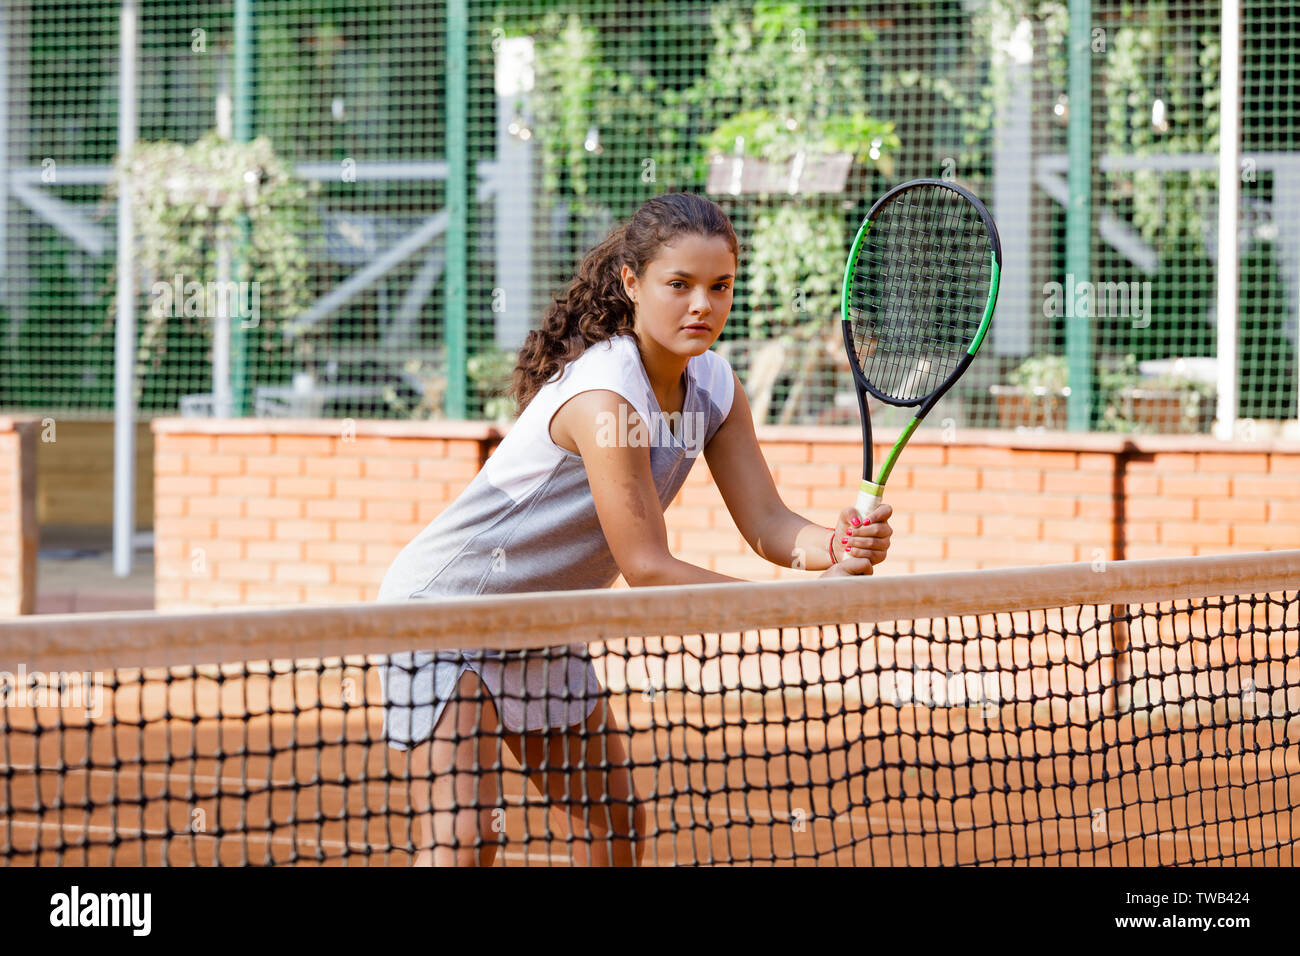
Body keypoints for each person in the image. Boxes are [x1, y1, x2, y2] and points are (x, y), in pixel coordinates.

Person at [378, 192, 894, 867]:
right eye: (678, 285)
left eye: (719, 286)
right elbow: (648, 566)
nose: (701, 305)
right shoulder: (605, 397)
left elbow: (768, 524)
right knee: (467, 838)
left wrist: (833, 545)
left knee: (614, 828)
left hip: (543, 625)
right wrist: (789, 606)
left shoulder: (714, 384)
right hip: (447, 615)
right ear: (632, 283)